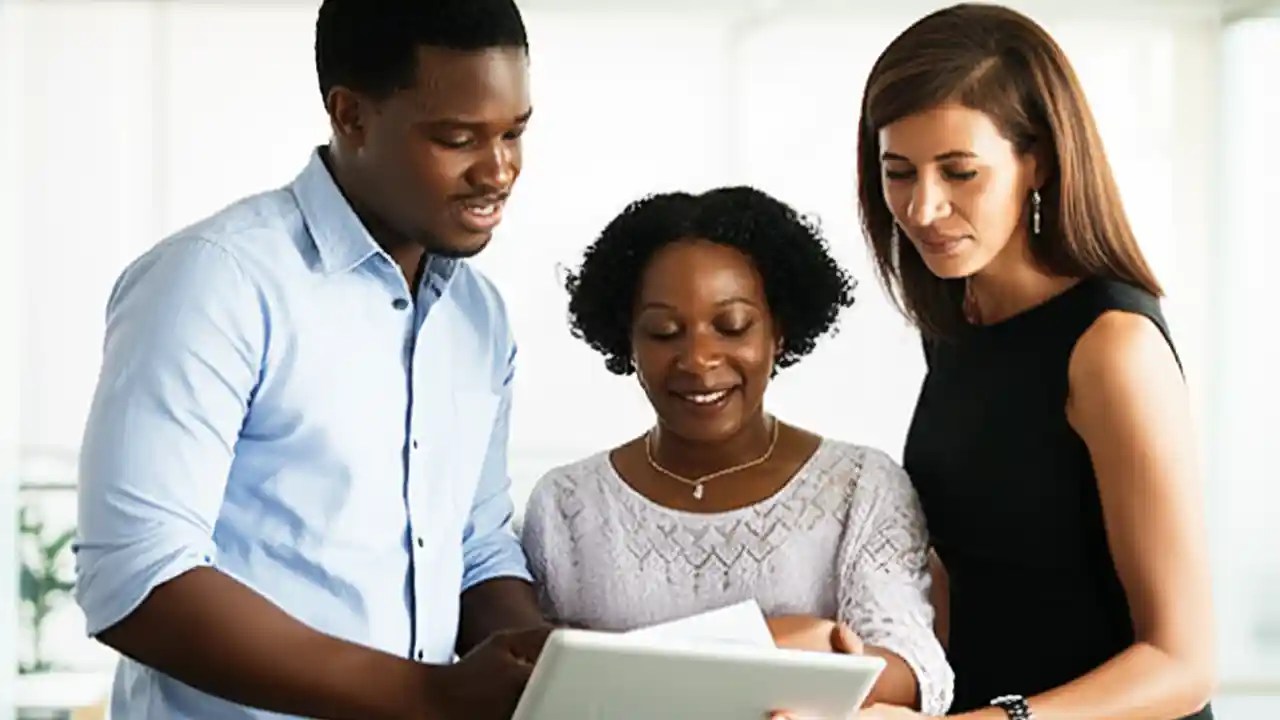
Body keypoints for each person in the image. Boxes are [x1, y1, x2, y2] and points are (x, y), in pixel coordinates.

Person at [72, 1, 549, 718]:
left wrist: (548, 667)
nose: (499, 169)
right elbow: (137, 578)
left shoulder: (478, 314)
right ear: (350, 115)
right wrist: (429, 696)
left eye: (514, 132)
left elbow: (475, 546)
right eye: (457, 138)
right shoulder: (215, 280)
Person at [850, 4, 1216, 720]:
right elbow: (977, 587)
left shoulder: (1112, 346)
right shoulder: (959, 325)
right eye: (899, 173)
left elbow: (1183, 665)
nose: (924, 209)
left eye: (960, 173)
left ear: (1038, 161)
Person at [520, 187, 955, 715]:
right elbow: (546, 687)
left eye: (732, 327)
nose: (699, 359)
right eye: (663, 333)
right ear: (627, 341)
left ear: (779, 332)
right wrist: (770, 645)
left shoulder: (859, 485)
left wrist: (788, 652)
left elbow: (917, 673)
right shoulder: (566, 503)